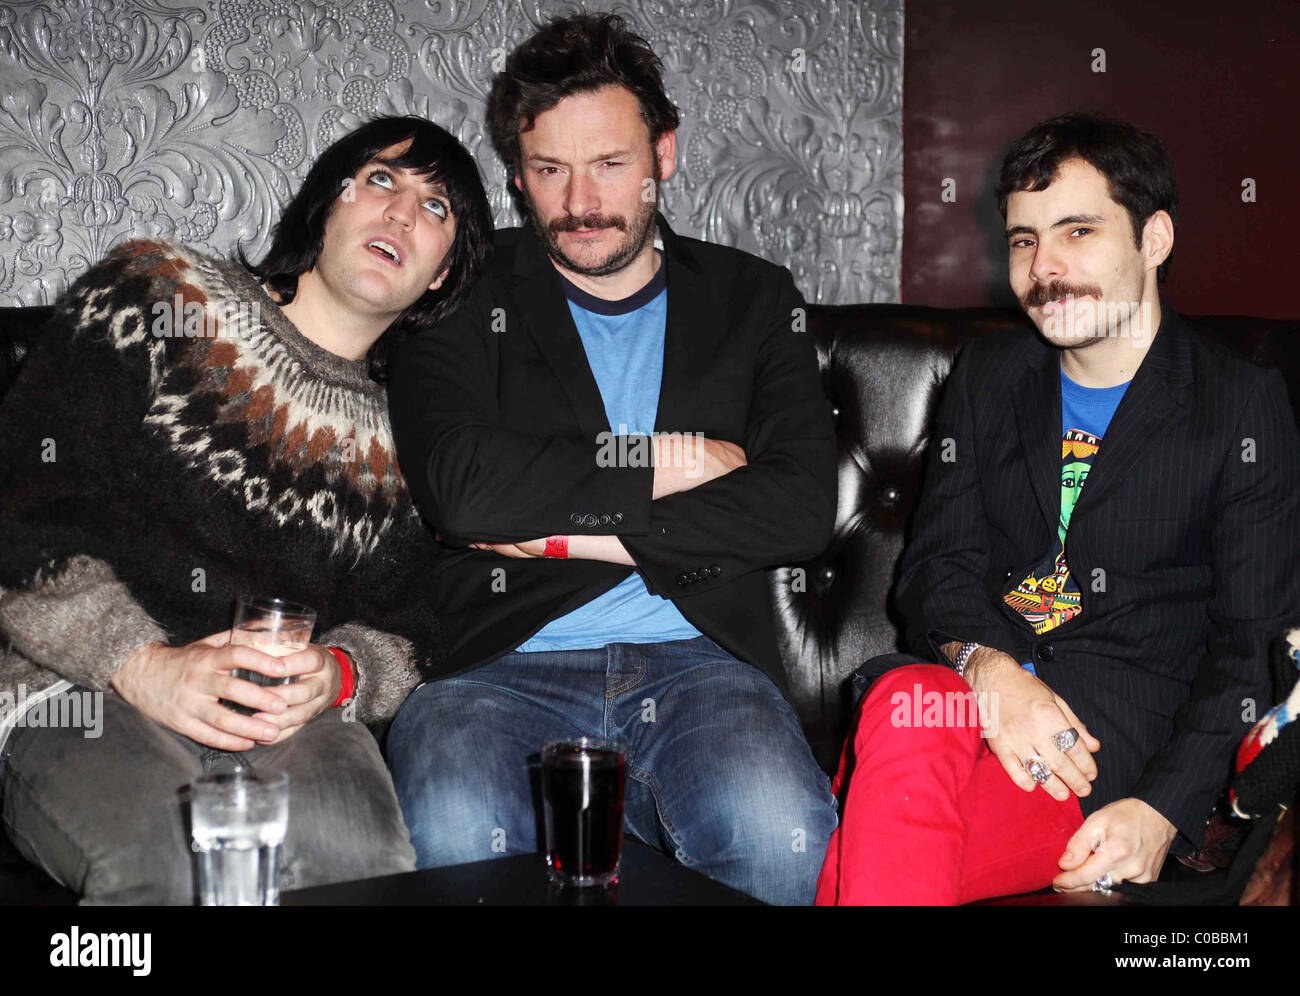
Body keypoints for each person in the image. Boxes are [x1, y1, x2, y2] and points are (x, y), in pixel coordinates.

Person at [385, 13, 838, 905]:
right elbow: (466, 493)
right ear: (517, 173)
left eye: (610, 164)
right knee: (456, 835)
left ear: (664, 154)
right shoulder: (465, 294)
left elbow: (795, 509)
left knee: (780, 838)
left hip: (698, 656)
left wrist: (564, 538)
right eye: (550, 169)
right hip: (495, 666)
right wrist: (667, 457)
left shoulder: (753, 298)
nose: (580, 201)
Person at [0, 115, 494, 904]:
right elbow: (22, 512)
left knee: (358, 863)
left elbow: (421, 624)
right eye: (381, 180)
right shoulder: (155, 293)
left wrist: (339, 674)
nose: (402, 213)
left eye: (437, 209)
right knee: (164, 865)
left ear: (441, 274)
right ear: (326, 203)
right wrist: (141, 666)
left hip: (288, 724)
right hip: (79, 688)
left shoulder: (420, 433)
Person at [815, 113, 1300, 905]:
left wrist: (1160, 812)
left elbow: (1250, 649)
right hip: (955, 704)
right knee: (908, 697)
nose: (1045, 268)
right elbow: (939, 568)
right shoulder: (992, 375)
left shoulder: (1239, 406)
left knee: (852, 859)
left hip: (1097, 754)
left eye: (1077, 231)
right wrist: (992, 672)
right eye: (1024, 240)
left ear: (1155, 239)